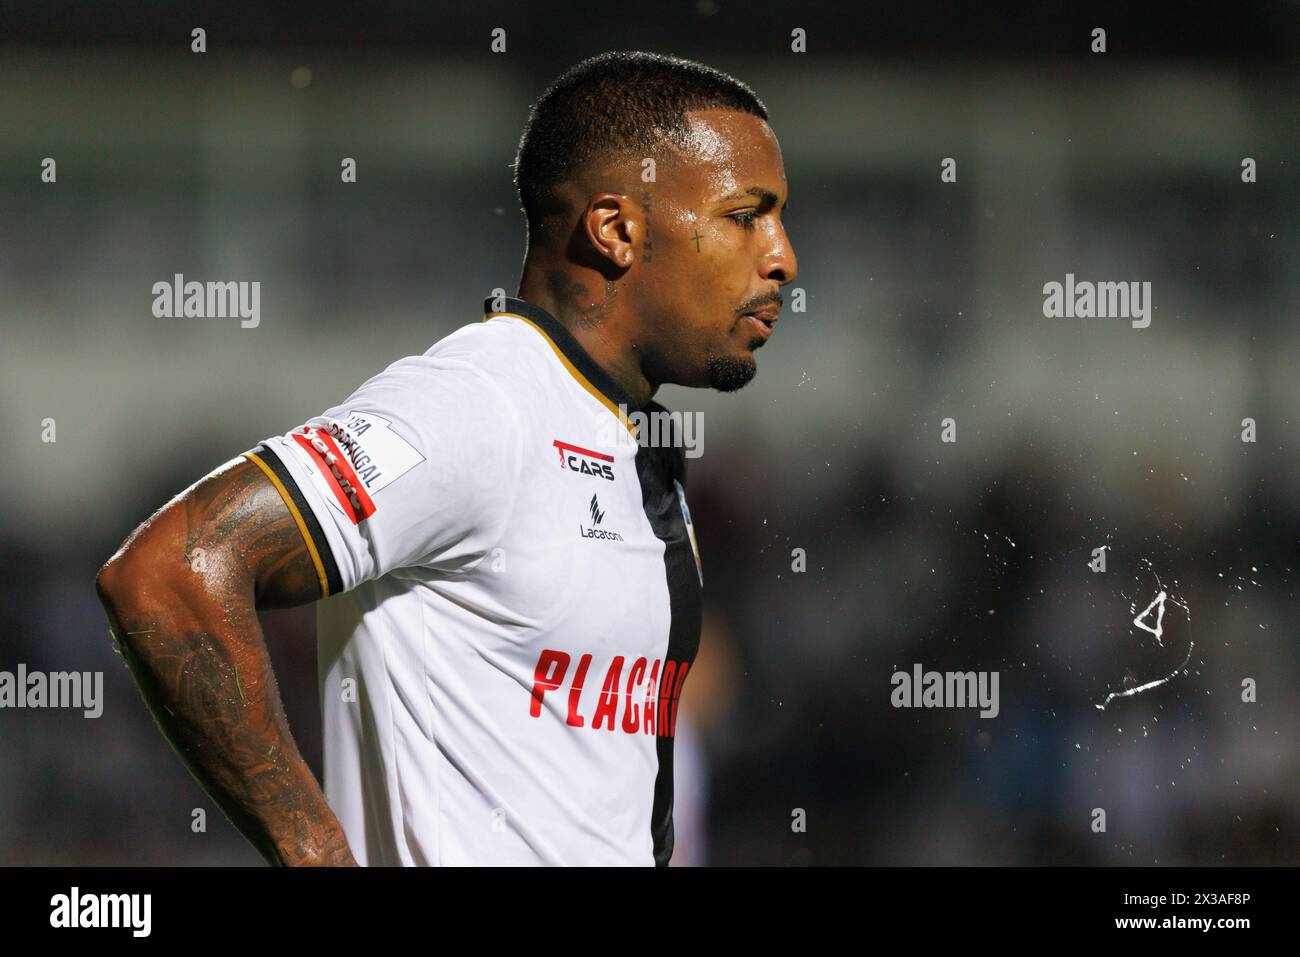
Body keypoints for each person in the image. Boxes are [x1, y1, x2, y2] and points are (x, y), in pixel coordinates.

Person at [95, 49, 797, 866]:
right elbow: (172, 569)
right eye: (748, 214)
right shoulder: (480, 404)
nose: (781, 255)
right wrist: (315, 850)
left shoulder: (626, 436)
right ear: (615, 230)